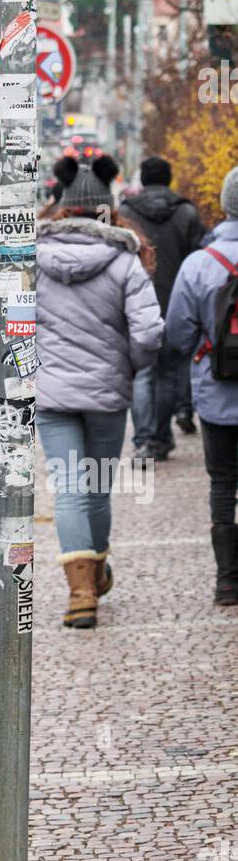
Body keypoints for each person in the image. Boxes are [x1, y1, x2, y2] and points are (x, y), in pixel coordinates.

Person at [36, 155, 163, 629]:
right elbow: (150, 334)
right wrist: (129, 368)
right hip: (108, 397)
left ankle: (81, 592)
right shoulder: (126, 261)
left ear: (63, 208)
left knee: (68, 488)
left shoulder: (32, 260)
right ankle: (98, 571)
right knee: (98, 488)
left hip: (50, 396)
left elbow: (0, 331)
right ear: (108, 208)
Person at [165, 166, 238, 605]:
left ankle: (227, 581)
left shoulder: (199, 264)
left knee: (222, 483)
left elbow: (176, 334)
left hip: (217, 395)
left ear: (225, 205)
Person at [121, 156, 204, 460]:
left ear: (142, 180)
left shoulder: (127, 212)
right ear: (169, 179)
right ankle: (161, 436)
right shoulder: (187, 212)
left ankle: (143, 439)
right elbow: (197, 259)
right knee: (168, 373)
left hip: (136, 303)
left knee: (142, 374)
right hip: (176, 304)